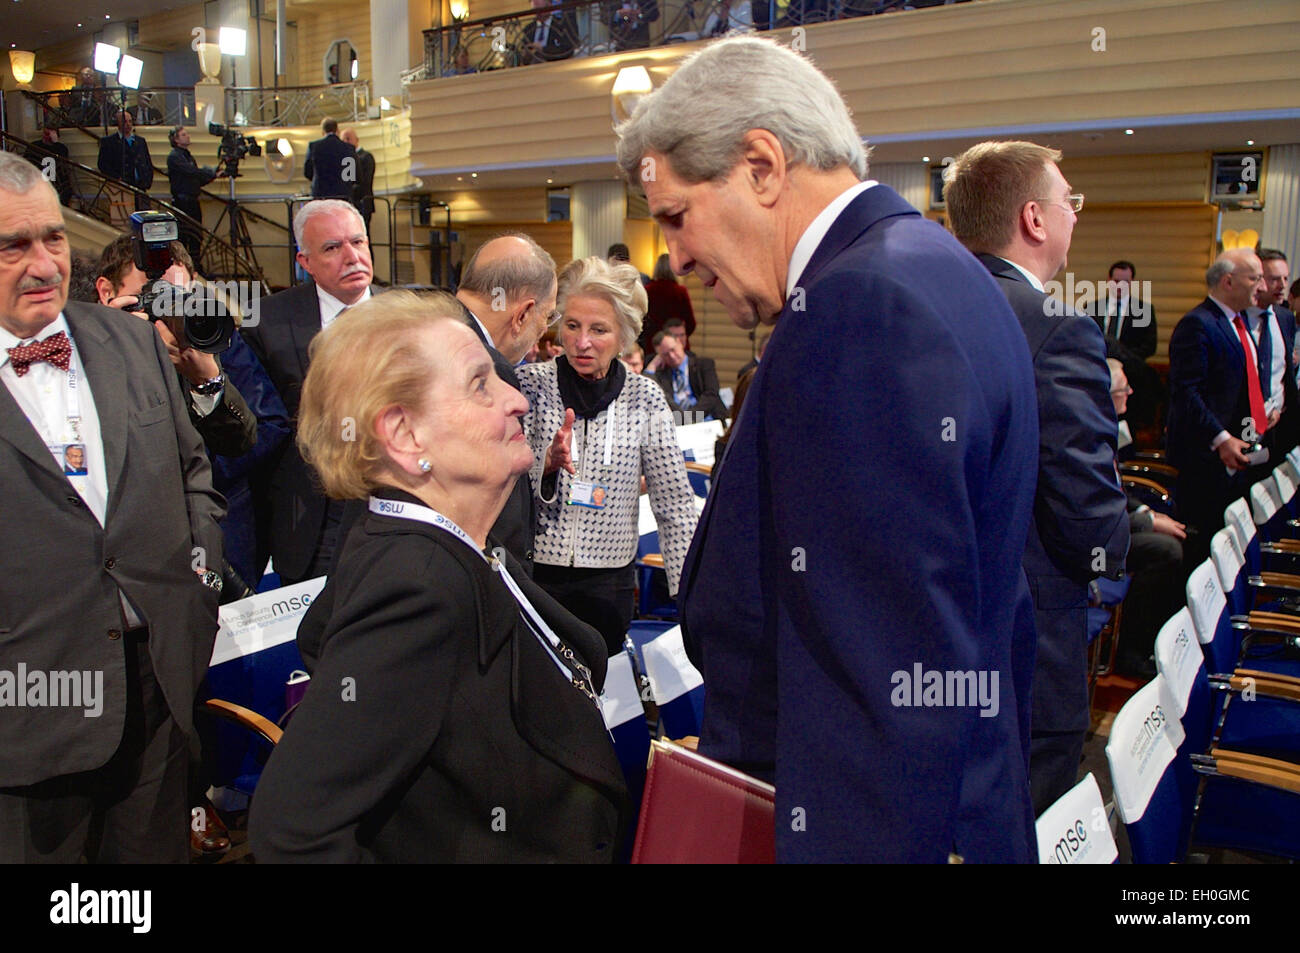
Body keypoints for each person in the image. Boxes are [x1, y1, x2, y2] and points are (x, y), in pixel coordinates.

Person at [616, 34, 1041, 862]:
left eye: (676, 216)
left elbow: (876, 696)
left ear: (763, 166)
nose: (673, 256)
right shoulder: (933, 265)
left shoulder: (858, 311)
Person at [249, 292, 625, 862]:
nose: (516, 399)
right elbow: (294, 834)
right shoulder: (415, 586)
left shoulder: (453, 543)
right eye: (480, 384)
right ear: (404, 436)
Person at [0, 151, 225, 863]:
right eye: (13, 245)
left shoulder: (131, 340)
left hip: (157, 689)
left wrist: (200, 590)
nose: (43, 263)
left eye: (53, 237)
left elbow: (194, 470)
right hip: (26, 715)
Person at [944, 140, 1129, 814]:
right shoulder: (1058, 330)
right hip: (1029, 650)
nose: (1075, 216)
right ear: (1034, 219)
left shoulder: (913, 304)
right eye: (1068, 202)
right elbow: (1087, 521)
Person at [518, 256, 698, 654]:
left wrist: (690, 599)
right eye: (572, 325)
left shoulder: (645, 398)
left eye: (599, 329)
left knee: (602, 703)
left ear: (625, 336)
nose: (582, 342)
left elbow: (675, 505)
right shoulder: (529, 386)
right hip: (535, 577)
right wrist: (543, 465)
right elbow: (494, 483)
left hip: (608, 586)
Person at [94, 234, 289, 584]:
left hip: (220, 542)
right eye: (153, 298)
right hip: (122, 556)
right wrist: (114, 346)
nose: (171, 313)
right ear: (109, 293)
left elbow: (268, 427)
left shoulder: (213, 339)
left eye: (180, 297)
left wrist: (207, 381)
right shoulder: (83, 351)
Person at [243, 199, 377, 585]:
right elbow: (261, 430)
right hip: (314, 521)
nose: (351, 256)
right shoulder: (265, 321)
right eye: (333, 248)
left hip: (397, 507)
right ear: (305, 263)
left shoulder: (411, 314)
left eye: (358, 242)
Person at [452, 232, 559, 574]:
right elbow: (497, 509)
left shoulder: (422, 329)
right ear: (524, 313)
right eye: (549, 317)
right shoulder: (488, 369)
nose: (543, 332)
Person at [1166, 249, 1269, 568]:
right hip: (1205, 460)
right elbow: (1186, 393)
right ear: (1228, 281)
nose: (1262, 286)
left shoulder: (1239, 323)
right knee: (1203, 550)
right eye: (1255, 277)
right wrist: (1221, 438)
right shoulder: (1198, 324)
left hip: (1239, 454)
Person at [1107, 359, 1185, 679]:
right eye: (1124, 388)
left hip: (1117, 521)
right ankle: (1130, 652)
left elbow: (1117, 490)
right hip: (1097, 538)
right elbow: (1094, 510)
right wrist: (1147, 522)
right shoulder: (1087, 434)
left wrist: (1144, 512)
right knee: (1166, 550)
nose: (1131, 392)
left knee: (1180, 532)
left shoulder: (1110, 425)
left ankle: (1165, 644)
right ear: (1106, 394)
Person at [1091, 260, 1162, 430]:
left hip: (1130, 381)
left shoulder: (1144, 310)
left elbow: (1149, 346)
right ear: (1109, 280)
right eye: (1116, 281)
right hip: (1099, 378)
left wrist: (1123, 359)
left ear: (1132, 283)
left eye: (1125, 282)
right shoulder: (1093, 308)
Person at [166, 126, 223, 265]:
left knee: (197, 235)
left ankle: (196, 265)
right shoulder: (175, 157)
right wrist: (208, 172)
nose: (188, 136)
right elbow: (191, 171)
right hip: (183, 202)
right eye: (184, 134)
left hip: (192, 201)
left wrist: (213, 175)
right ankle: (186, 266)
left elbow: (197, 179)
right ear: (176, 140)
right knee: (186, 235)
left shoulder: (187, 156)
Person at [652, 328, 728, 421]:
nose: (672, 356)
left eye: (673, 350)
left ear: (680, 343)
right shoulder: (661, 376)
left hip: (706, 419)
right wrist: (652, 365)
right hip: (678, 424)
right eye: (665, 354)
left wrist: (690, 418)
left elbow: (711, 395)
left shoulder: (703, 365)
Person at [641, 252, 695, 356]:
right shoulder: (680, 292)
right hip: (676, 346)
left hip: (653, 345)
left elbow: (643, 321)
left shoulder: (648, 291)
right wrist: (680, 336)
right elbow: (691, 323)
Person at [97, 111, 153, 210]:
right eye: (125, 122)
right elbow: (102, 164)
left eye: (130, 121)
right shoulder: (109, 142)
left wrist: (147, 180)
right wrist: (117, 179)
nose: (128, 124)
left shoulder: (140, 141)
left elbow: (148, 162)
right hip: (122, 187)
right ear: (118, 123)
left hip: (141, 186)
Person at [303, 117, 355, 200]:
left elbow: (307, 172)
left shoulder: (314, 146)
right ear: (337, 130)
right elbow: (352, 174)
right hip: (342, 194)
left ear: (323, 131)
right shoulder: (348, 148)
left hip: (320, 193)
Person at [23, 127, 73, 207]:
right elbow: (27, 161)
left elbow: (63, 164)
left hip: (57, 182)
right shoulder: (34, 146)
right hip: (38, 180)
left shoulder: (61, 148)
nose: (46, 136)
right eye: (45, 133)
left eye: (49, 134)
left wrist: (55, 143)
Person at [340, 129, 375, 236]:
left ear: (357, 140)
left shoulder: (366, 157)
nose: (346, 142)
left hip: (362, 203)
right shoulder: (345, 159)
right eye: (343, 140)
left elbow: (365, 181)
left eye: (348, 138)